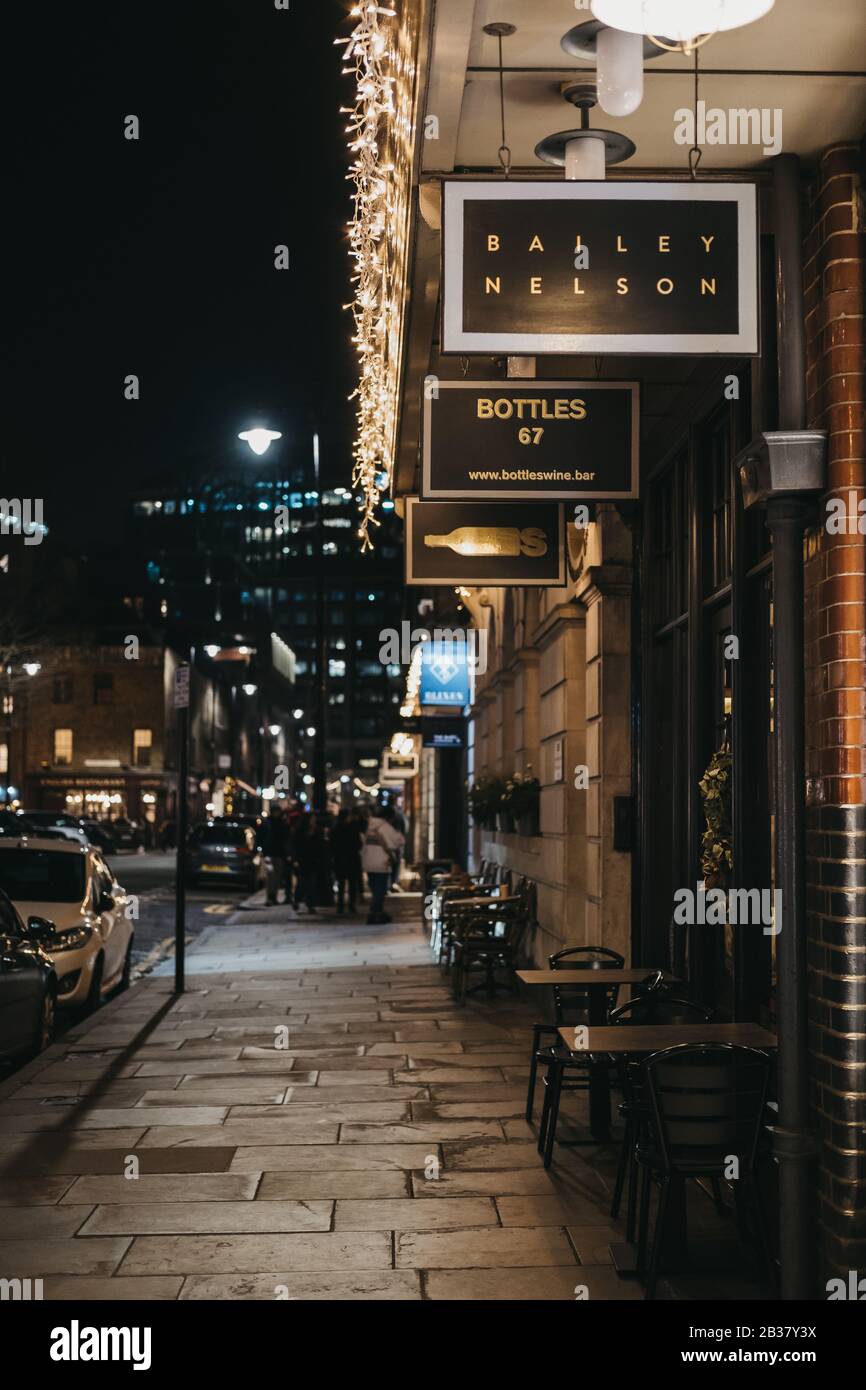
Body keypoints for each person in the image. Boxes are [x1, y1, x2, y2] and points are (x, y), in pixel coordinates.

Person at [361, 806, 405, 925]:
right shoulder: (386, 827)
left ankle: (378, 912)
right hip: (382, 862)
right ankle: (374, 913)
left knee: (375, 889)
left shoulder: (369, 825)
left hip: (368, 861)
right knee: (380, 890)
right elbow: (400, 840)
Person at [294, 812, 328, 914]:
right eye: (312, 819)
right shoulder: (300, 832)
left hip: (313, 861)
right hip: (303, 860)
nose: (314, 821)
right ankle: (297, 900)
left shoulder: (317, 831)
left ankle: (310, 904)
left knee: (311, 884)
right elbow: (296, 845)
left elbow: (320, 846)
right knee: (302, 883)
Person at [332, 808, 363, 914]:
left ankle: (340, 906)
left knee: (341, 884)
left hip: (340, 859)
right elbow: (358, 844)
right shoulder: (353, 828)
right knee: (352, 884)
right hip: (351, 858)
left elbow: (332, 844)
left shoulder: (335, 828)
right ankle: (351, 905)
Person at [258, 805, 289, 906]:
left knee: (277, 877)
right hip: (270, 854)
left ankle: (273, 897)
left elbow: (285, 839)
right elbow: (261, 837)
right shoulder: (267, 823)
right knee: (270, 876)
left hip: (279, 854)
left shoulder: (281, 823)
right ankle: (269, 898)